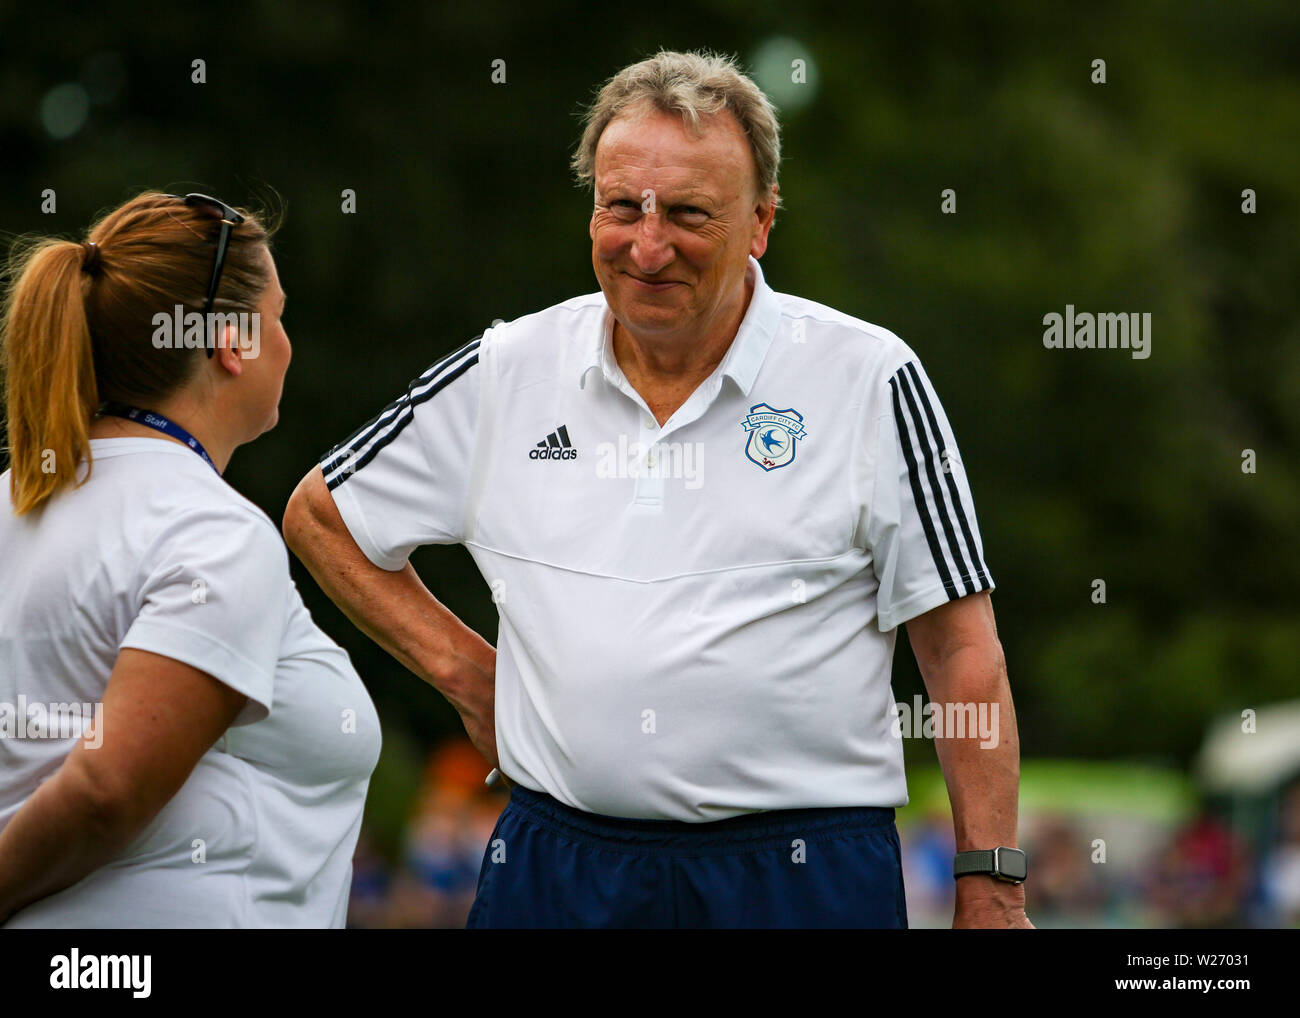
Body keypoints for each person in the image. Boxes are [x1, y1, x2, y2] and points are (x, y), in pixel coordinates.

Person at [284, 50, 1030, 929]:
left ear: (761, 223)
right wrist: (471, 678)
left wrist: (990, 886)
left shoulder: (869, 377)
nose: (647, 246)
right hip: (556, 868)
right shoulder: (509, 367)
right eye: (620, 207)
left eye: (687, 214)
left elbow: (960, 653)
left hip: (799, 876)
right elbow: (322, 514)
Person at [0, 191, 380, 927]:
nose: (288, 343)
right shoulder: (213, 531)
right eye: (279, 317)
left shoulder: (15, 500)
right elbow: (107, 791)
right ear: (232, 343)